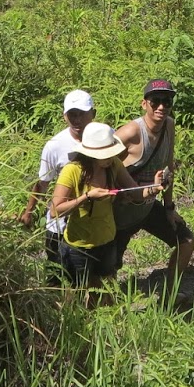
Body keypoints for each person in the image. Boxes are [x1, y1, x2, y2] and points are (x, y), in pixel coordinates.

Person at [49, 122, 157, 303]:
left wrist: (153, 188)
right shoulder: (72, 170)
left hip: (106, 240)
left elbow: (134, 192)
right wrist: (86, 197)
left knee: (105, 289)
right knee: (77, 293)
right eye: (105, 154)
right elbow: (55, 210)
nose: (111, 157)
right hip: (79, 245)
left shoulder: (113, 165)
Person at [111, 79, 194, 279]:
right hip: (121, 212)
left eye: (167, 102)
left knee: (187, 241)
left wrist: (169, 208)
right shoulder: (131, 133)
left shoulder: (168, 126)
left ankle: (169, 296)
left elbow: (168, 166)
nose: (161, 107)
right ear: (144, 103)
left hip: (147, 207)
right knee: (108, 270)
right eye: (155, 101)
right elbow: (101, 162)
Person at [18, 89, 95, 272]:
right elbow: (42, 183)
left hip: (94, 223)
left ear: (93, 114)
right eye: (72, 115)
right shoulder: (55, 146)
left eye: (82, 114)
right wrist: (29, 212)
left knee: (92, 276)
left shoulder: (104, 138)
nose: (77, 120)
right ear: (64, 116)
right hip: (60, 224)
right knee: (57, 275)